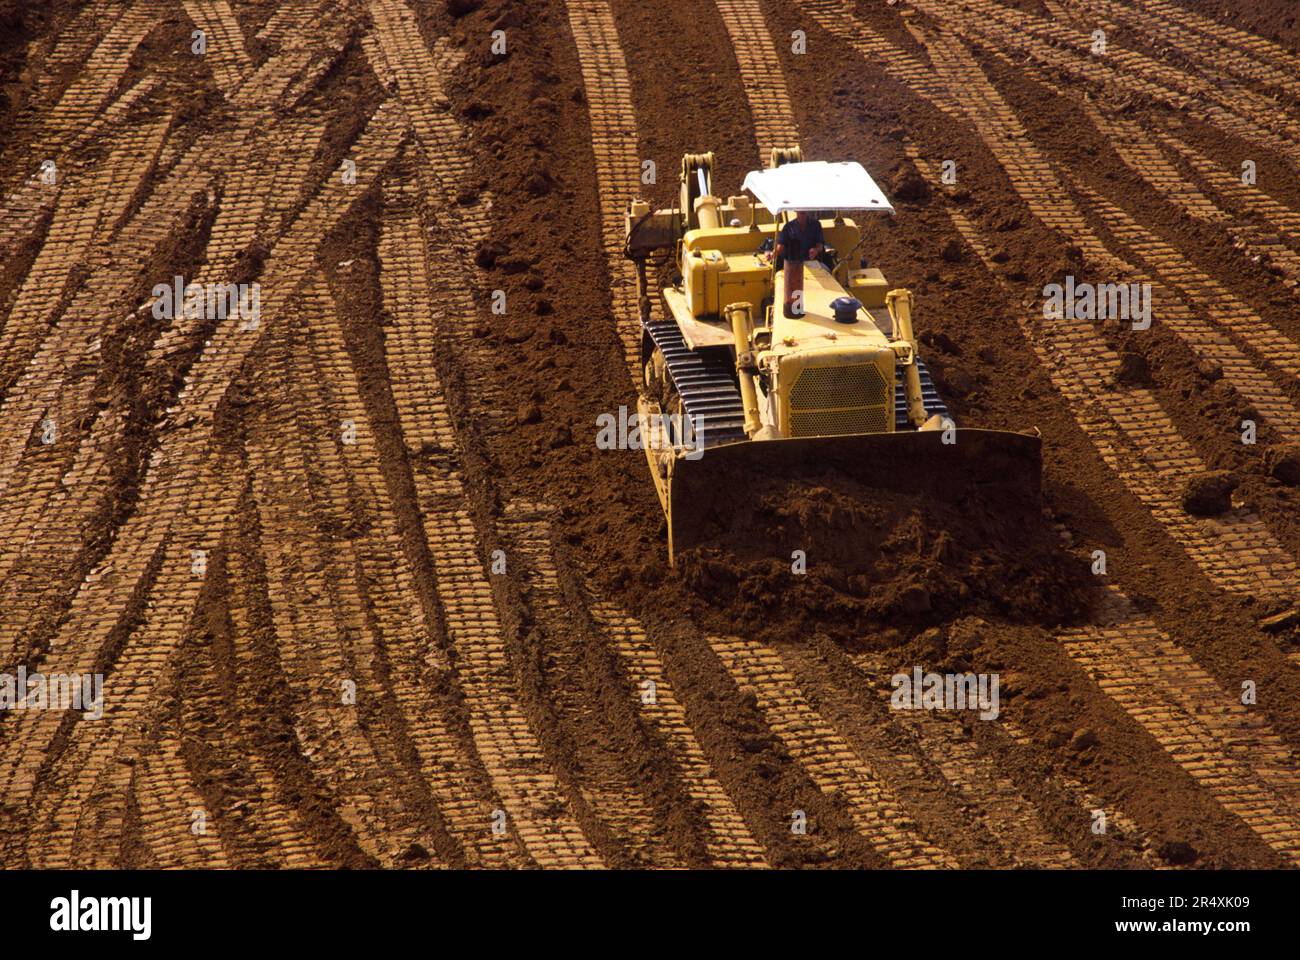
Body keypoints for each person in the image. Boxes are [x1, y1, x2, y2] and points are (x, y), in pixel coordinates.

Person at [772, 210, 824, 318]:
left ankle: (796, 310)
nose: (803, 214)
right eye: (800, 212)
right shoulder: (788, 227)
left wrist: (815, 250)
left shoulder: (816, 225)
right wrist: (774, 253)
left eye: (804, 212)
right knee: (793, 289)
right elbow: (780, 246)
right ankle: (793, 310)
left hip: (810, 262)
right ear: (796, 212)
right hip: (792, 264)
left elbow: (820, 245)